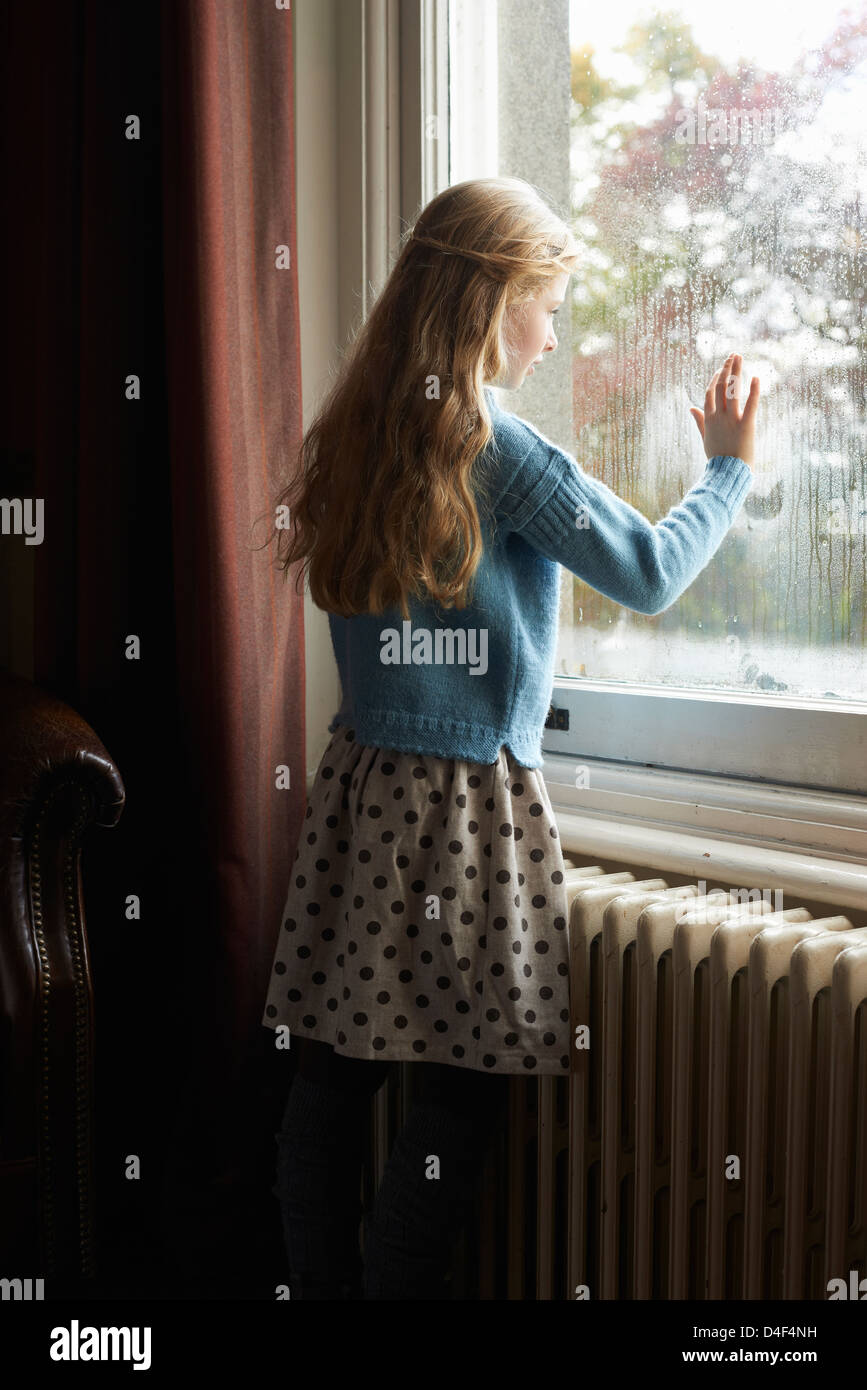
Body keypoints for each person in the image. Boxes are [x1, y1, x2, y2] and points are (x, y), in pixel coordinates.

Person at [260, 175, 760, 1299]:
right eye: (545, 303)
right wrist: (726, 469)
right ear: (492, 303)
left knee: (330, 1085)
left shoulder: (355, 433)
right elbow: (647, 571)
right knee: (457, 1101)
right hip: (469, 817)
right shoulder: (500, 449)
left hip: (359, 797)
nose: (550, 331)